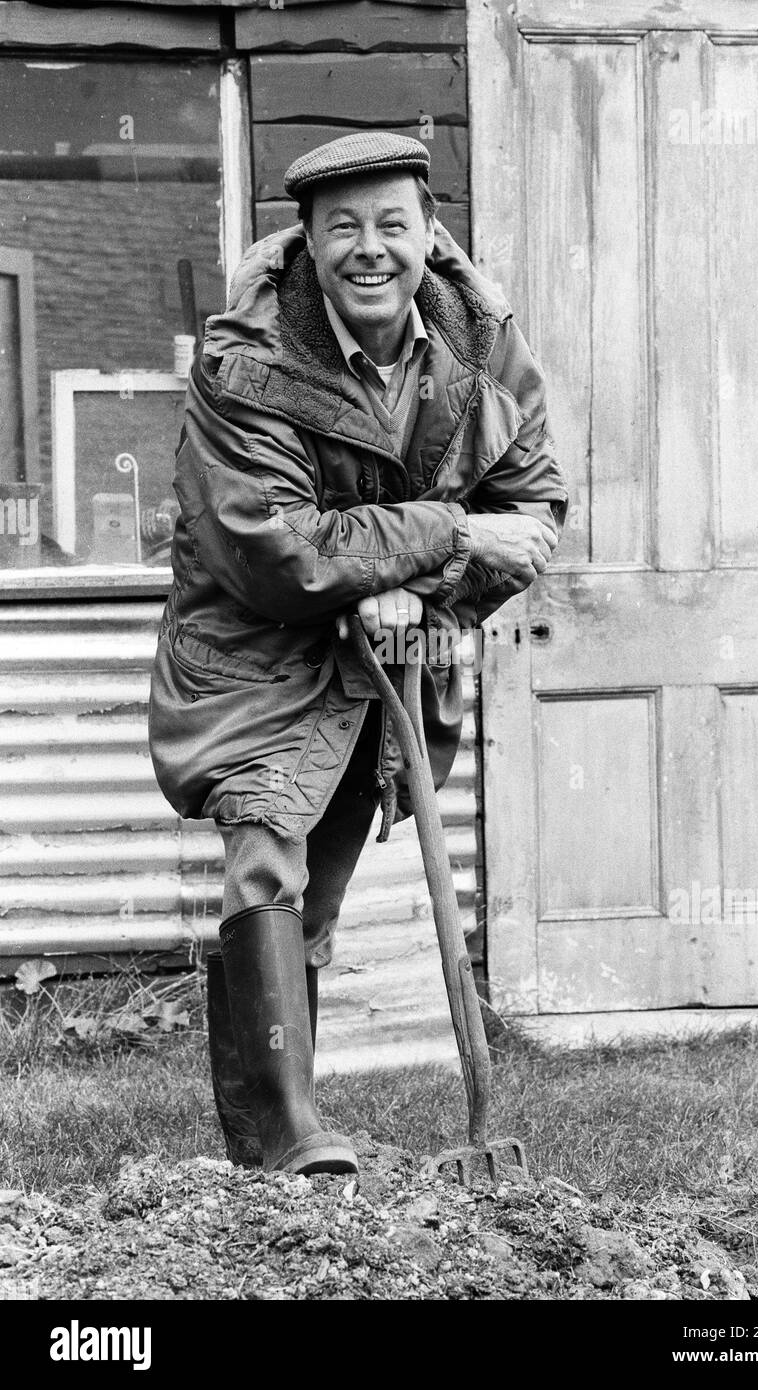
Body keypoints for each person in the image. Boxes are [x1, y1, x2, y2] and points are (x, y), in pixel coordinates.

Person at [148, 131, 568, 1177]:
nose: (368, 250)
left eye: (391, 224)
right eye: (342, 228)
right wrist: (448, 536)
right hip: (255, 648)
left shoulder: (478, 350)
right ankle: (281, 1130)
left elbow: (533, 510)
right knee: (265, 853)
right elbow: (276, 549)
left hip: (394, 657)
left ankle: (271, 1135)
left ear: (429, 232)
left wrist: (417, 584)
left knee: (315, 895)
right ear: (309, 238)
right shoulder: (247, 363)